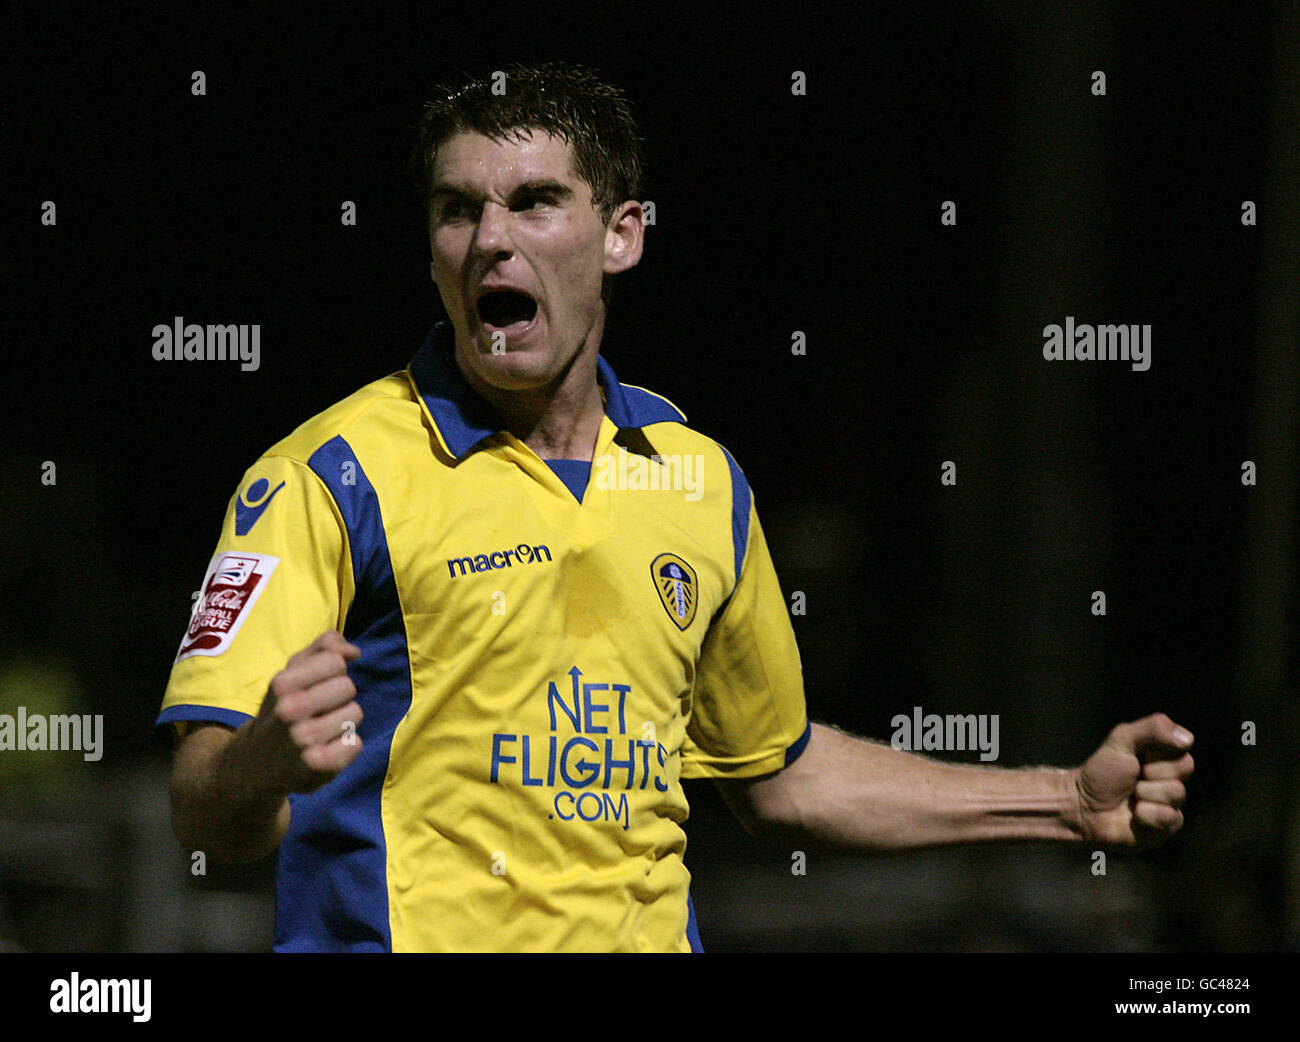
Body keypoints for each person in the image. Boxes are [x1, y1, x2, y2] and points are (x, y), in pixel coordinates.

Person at [159, 61, 1194, 953]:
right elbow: (204, 808)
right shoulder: (322, 476)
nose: (489, 240)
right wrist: (262, 758)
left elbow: (782, 776)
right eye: (457, 207)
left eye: (533, 202)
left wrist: (1063, 800)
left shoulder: (697, 479)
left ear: (621, 235)